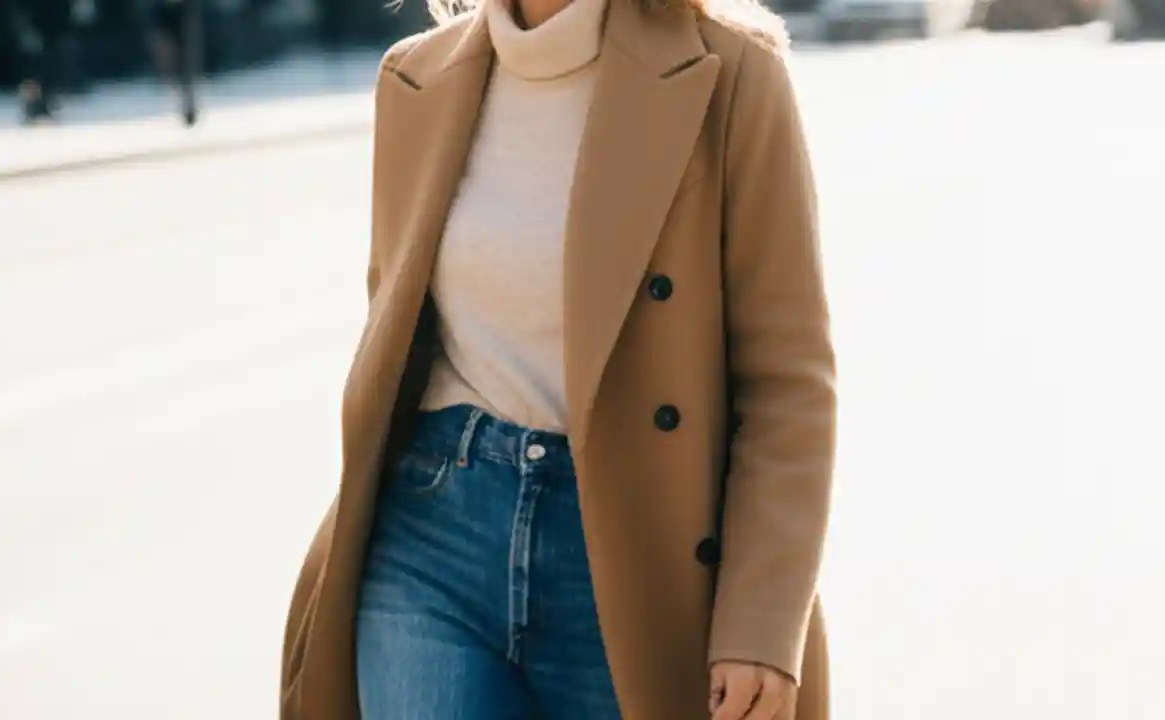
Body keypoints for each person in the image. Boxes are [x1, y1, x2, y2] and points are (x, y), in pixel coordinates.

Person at [279, 0, 837, 718]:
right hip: (433, 543)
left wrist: (761, 619)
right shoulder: (415, 79)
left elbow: (788, 382)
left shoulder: (732, 72)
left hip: (637, 554)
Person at [12, 0, 74, 123]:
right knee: (37, 67)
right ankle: (35, 105)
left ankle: (42, 103)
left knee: (46, 67)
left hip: (50, 25)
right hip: (40, 24)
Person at [148, 0, 200, 126]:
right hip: (167, 14)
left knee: (184, 64)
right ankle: (185, 102)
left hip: (176, 14)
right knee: (181, 64)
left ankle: (187, 105)